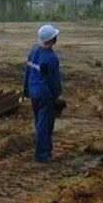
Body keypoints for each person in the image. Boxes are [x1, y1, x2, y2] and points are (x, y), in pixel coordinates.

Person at [22, 23, 63, 163]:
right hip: (45, 96)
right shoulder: (51, 58)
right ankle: (42, 155)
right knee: (44, 125)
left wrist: (26, 91)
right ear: (53, 39)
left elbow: (28, 73)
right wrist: (56, 94)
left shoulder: (33, 52)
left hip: (34, 93)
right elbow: (54, 80)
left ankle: (46, 150)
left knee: (40, 124)